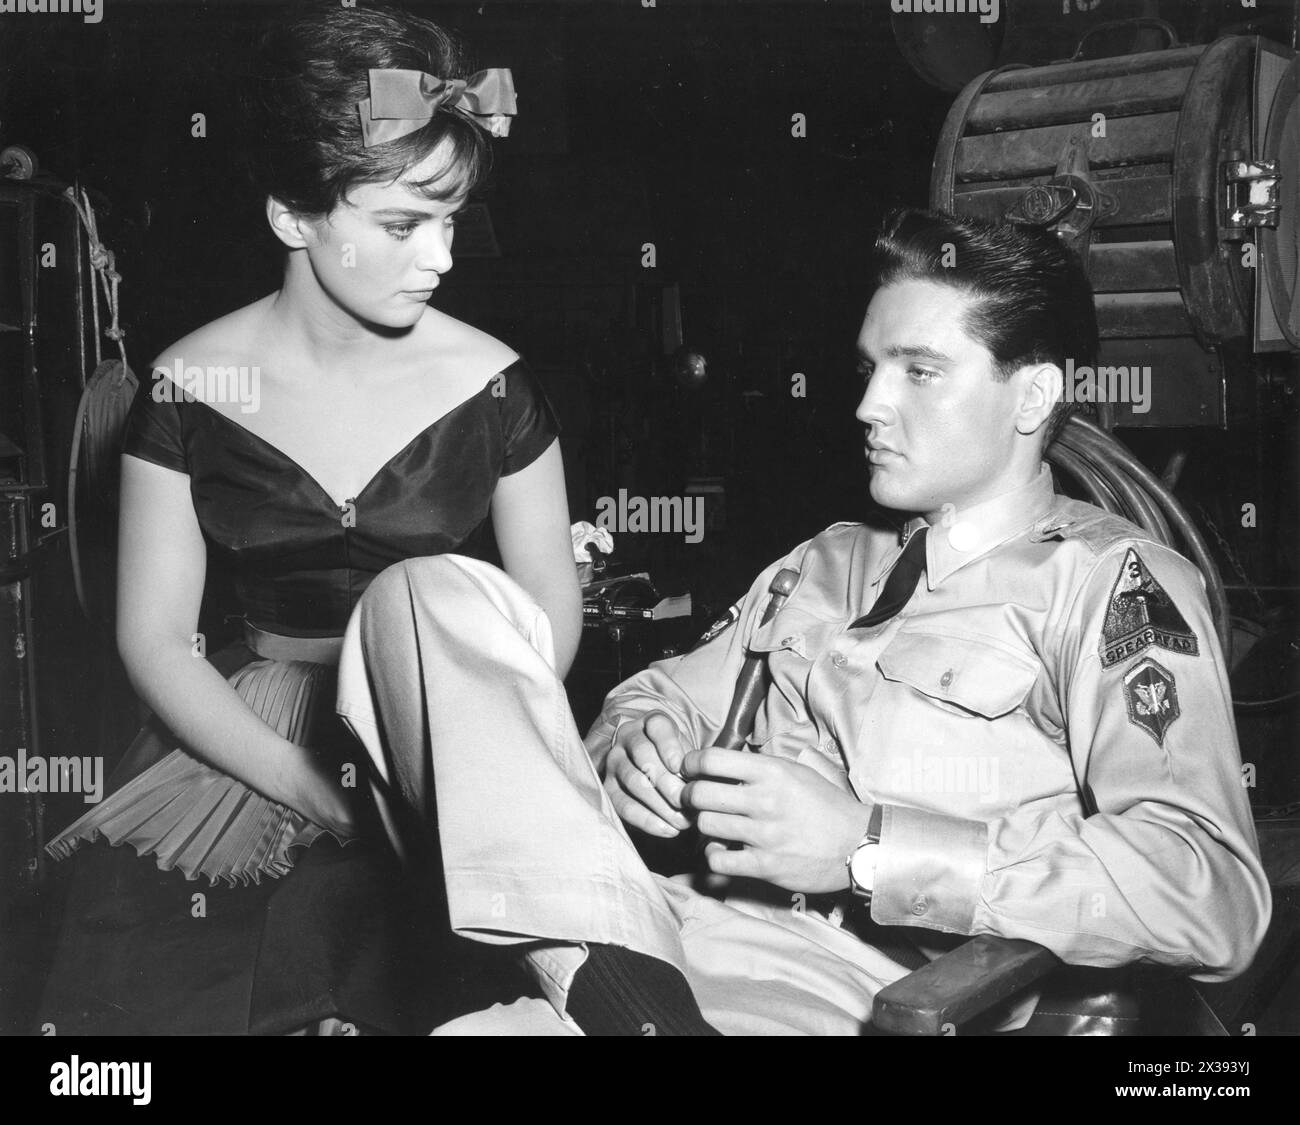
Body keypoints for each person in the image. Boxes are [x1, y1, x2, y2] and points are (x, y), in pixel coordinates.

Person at [336, 208, 1271, 1035]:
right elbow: (659, 693)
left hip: (864, 991)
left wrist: (869, 845)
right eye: (870, 369)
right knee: (421, 596)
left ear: (1032, 395)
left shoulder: (1113, 586)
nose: (868, 405)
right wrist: (636, 741)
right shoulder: (825, 559)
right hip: (667, 926)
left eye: (920, 372)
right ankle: (618, 989)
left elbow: (1208, 891)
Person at [39, 4, 579, 1035]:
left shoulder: (499, 388)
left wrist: (453, 745)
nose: (443, 259)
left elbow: (548, 602)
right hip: (240, 746)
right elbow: (154, 641)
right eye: (402, 224)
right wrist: (308, 789)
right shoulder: (186, 388)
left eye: (452, 221)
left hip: (449, 733)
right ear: (294, 214)